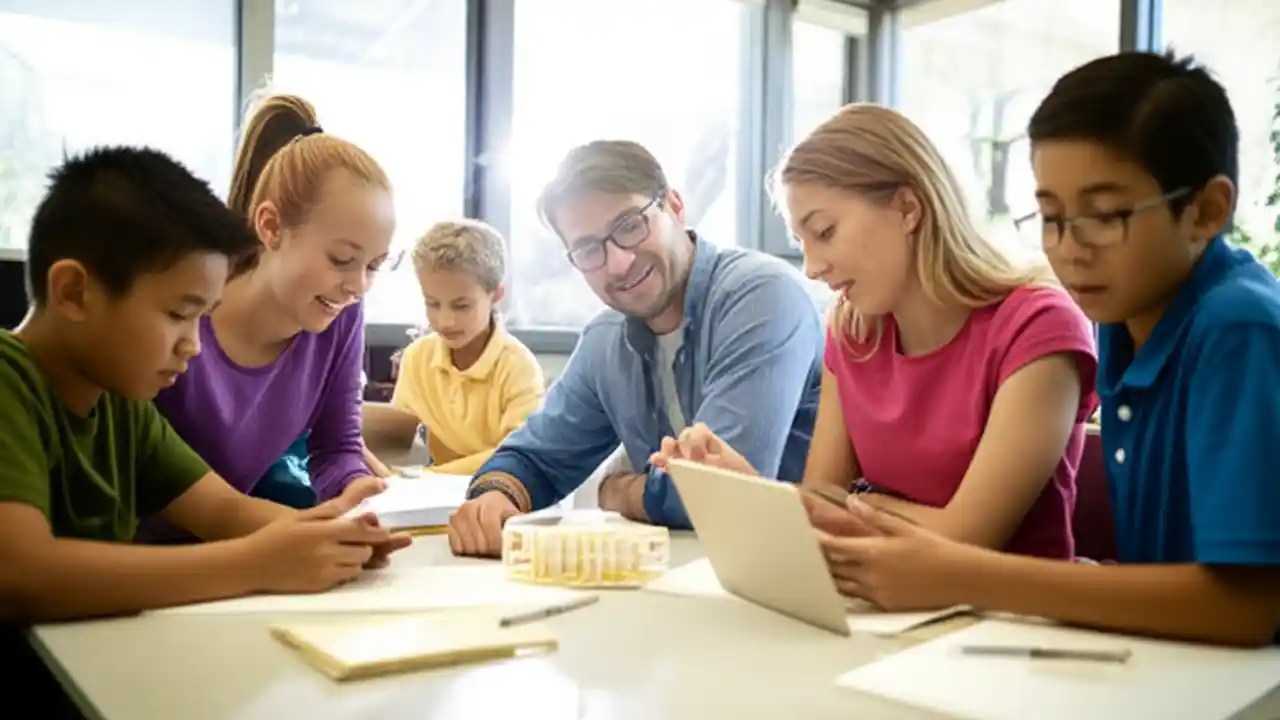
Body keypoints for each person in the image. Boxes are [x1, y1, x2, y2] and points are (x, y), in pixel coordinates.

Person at [797, 52, 1280, 647]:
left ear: (1205, 211)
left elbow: (1248, 608)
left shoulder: (1237, 326)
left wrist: (963, 572)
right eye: (1050, 217)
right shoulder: (1124, 319)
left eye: (1103, 216)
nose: (1069, 250)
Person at [0, 147, 409, 715]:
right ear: (73, 292)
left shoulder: (123, 408)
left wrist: (332, 538)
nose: (194, 345)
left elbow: (224, 510)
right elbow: (21, 573)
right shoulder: (8, 383)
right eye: (178, 315)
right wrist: (259, 562)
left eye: (201, 317)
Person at [654, 103, 1097, 560]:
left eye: (825, 232)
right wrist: (747, 488)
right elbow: (823, 503)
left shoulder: (1039, 326)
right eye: (801, 244)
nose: (811, 267)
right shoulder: (851, 331)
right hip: (886, 603)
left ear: (907, 208)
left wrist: (854, 505)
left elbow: (967, 538)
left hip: (1009, 618)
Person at [448, 140, 823, 556]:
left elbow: (722, 495)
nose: (619, 263)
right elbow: (533, 459)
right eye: (590, 249)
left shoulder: (760, 297)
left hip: (798, 573)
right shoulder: (605, 339)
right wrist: (494, 498)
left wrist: (617, 491)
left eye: (630, 225)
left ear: (676, 207)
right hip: (681, 579)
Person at [140, 94, 396, 539]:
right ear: (271, 227)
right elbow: (158, 483)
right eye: (341, 258)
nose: (358, 286)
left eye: (374, 266)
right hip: (148, 561)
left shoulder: (339, 315)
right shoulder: (182, 322)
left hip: (238, 554)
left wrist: (358, 496)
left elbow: (336, 446)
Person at [362, 219, 545, 474]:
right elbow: (399, 433)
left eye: (461, 306)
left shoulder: (518, 368)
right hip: (440, 495)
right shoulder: (419, 357)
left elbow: (519, 456)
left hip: (502, 492)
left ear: (496, 295)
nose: (444, 321)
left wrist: (427, 478)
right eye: (432, 304)